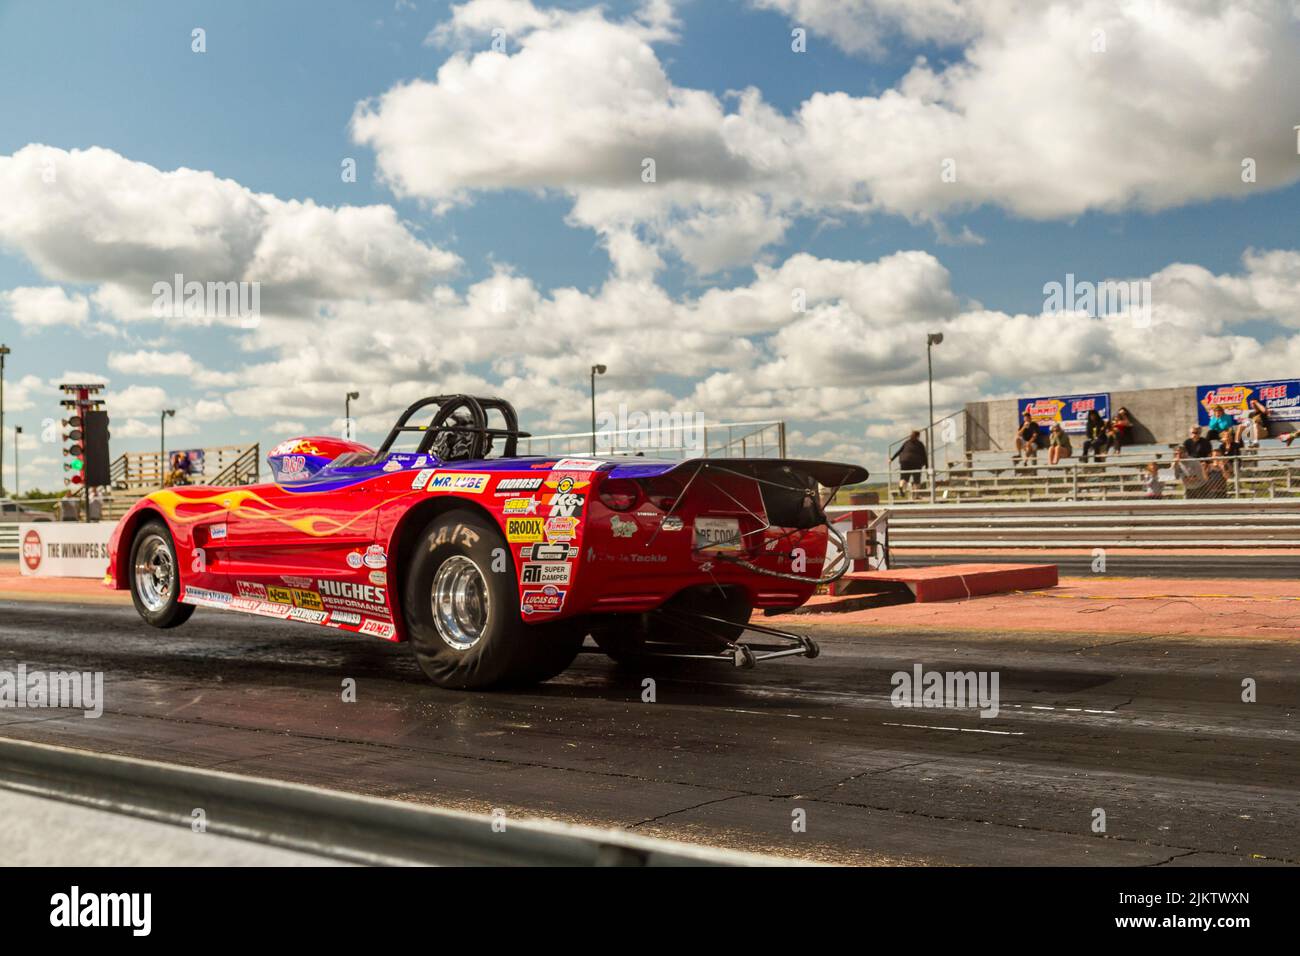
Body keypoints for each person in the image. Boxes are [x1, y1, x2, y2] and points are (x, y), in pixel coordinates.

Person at [891, 430, 928, 496]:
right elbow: (924, 455)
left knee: (904, 477)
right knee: (917, 479)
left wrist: (891, 459)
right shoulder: (920, 444)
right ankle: (916, 495)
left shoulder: (906, 442)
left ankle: (901, 487)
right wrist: (927, 465)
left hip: (904, 461)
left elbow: (899, 451)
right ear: (918, 436)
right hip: (916, 462)